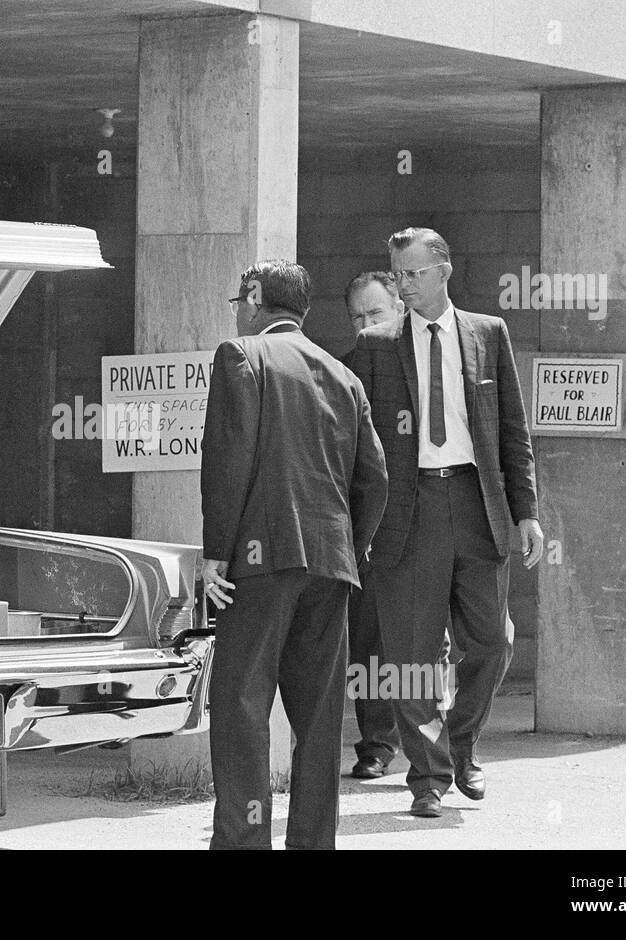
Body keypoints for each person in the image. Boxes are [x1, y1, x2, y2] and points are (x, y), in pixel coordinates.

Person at [349, 228, 542, 818]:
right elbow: (360, 445)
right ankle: (427, 778)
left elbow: (513, 429)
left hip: (477, 503)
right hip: (408, 512)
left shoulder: (488, 333)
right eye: (398, 275)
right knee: (409, 654)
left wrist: (527, 513)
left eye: (414, 274)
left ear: (445, 271)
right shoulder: (377, 345)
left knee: (492, 640)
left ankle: (462, 742)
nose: (404, 285)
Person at [200, 259, 387, 849]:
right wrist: (347, 550)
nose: (236, 308)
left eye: (239, 296)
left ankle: (243, 841)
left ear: (255, 297)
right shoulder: (343, 375)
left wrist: (215, 556)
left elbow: (227, 465)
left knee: (241, 711)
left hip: (258, 565)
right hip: (331, 567)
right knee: (320, 718)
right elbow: (376, 482)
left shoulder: (241, 356)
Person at [339, 272, 404, 778]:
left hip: (433, 523)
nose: (365, 327)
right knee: (370, 641)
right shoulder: (344, 375)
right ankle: (377, 745)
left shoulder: (438, 363)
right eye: (357, 318)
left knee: (439, 640)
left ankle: (440, 743)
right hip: (371, 529)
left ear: (401, 310)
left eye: (376, 315)